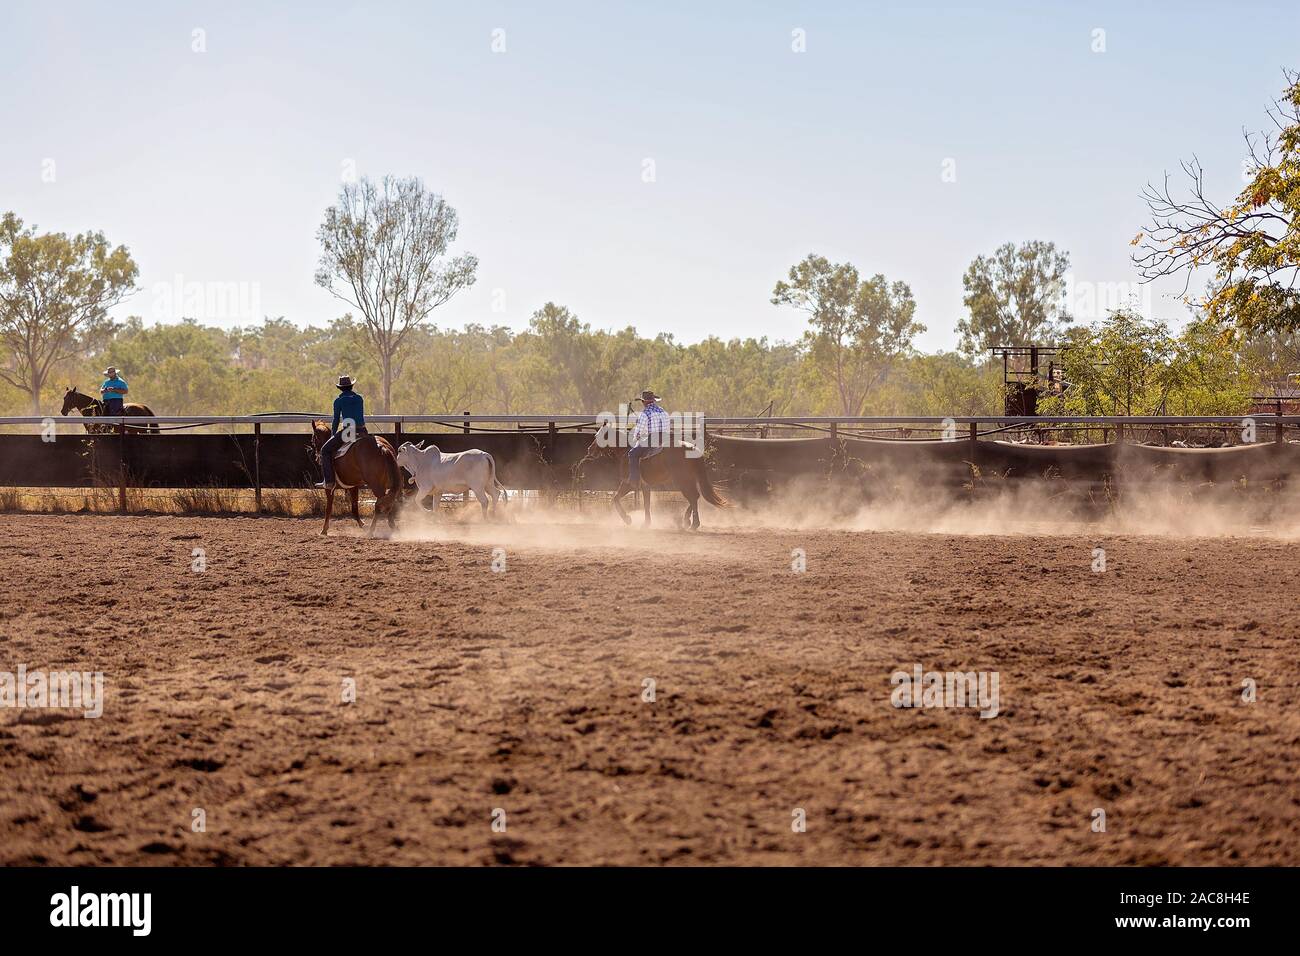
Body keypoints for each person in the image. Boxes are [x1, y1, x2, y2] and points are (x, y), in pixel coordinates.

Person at [316, 375, 366, 488]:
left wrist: (333, 434)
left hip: (348, 431)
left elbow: (336, 419)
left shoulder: (338, 401)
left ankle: (329, 481)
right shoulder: (359, 398)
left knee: (325, 450)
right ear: (351, 386)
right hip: (363, 431)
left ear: (340, 388)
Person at [627, 389, 670, 486]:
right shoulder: (662, 410)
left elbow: (639, 430)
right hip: (666, 438)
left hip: (653, 439)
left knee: (632, 453)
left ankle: (634, 479)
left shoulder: (645, 412)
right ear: (654, 400)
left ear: (644, 402)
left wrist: (636, 437)